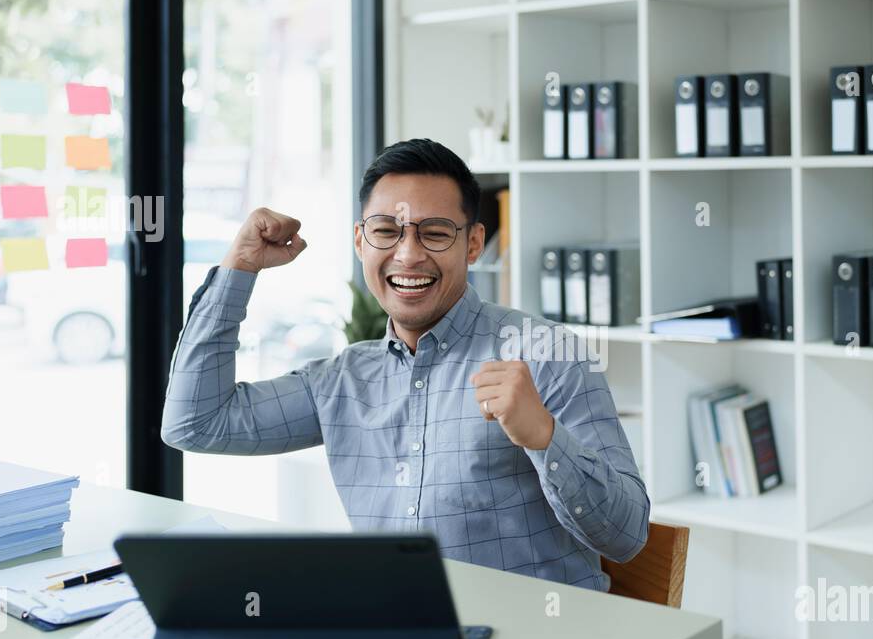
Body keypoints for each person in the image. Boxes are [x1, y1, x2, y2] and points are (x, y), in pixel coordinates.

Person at [162, 138, 649, 589]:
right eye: (386, 232)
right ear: (360, 241)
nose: (409, 255)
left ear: (474, 243)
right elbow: (195, 424)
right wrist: (239, 267)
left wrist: (544, 436)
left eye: (435, 233)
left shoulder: (547, 355)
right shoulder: (341, 380)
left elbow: (627, 537)